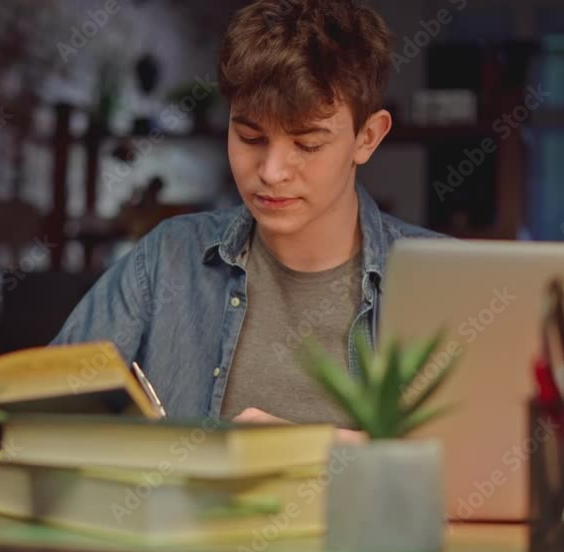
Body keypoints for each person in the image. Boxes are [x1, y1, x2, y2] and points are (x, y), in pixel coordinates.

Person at [51, 0, 443, 442]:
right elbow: (41, 416)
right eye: (250, 137)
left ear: (367, 138)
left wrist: (331, 452)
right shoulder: (167, 258)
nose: (272, 172)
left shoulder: (442, 280)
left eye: (307, 144)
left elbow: (484, 466)